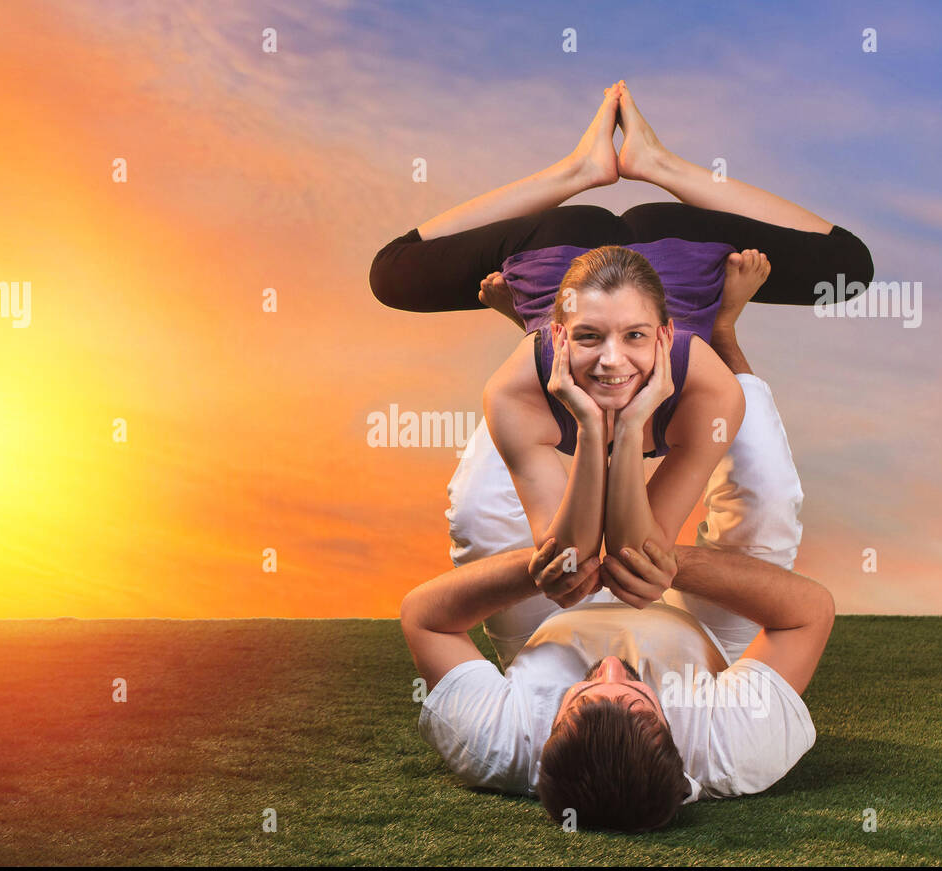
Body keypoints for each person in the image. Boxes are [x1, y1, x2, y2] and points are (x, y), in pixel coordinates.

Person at [371, 80, 870, 657]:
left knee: (392, 275)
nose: (612, 365)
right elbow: (608, 558)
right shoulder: (523, 386)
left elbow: (613, 559)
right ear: (560, 339)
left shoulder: (699, 382)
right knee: (849, 269)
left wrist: (621, 411)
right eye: (588, 343)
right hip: (684, 249)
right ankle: (632, 166)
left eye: (633, 342)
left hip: (553, 253)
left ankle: (583, 171)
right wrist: (609, 410)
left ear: (663, 336)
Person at [400, 301, 833, 832]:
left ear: (544, 744)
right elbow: (808, 611)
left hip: (550, 621)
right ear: (678, 747)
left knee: (476, 510)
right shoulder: (736, 747)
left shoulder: (497, 746)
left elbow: (423, 616)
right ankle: (724, 334)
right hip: (701, 633)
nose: (609, 667)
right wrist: (667, 565)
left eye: (584, 693)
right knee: (767, 495)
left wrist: (540, 569)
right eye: (633, 693)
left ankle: (548, 352)